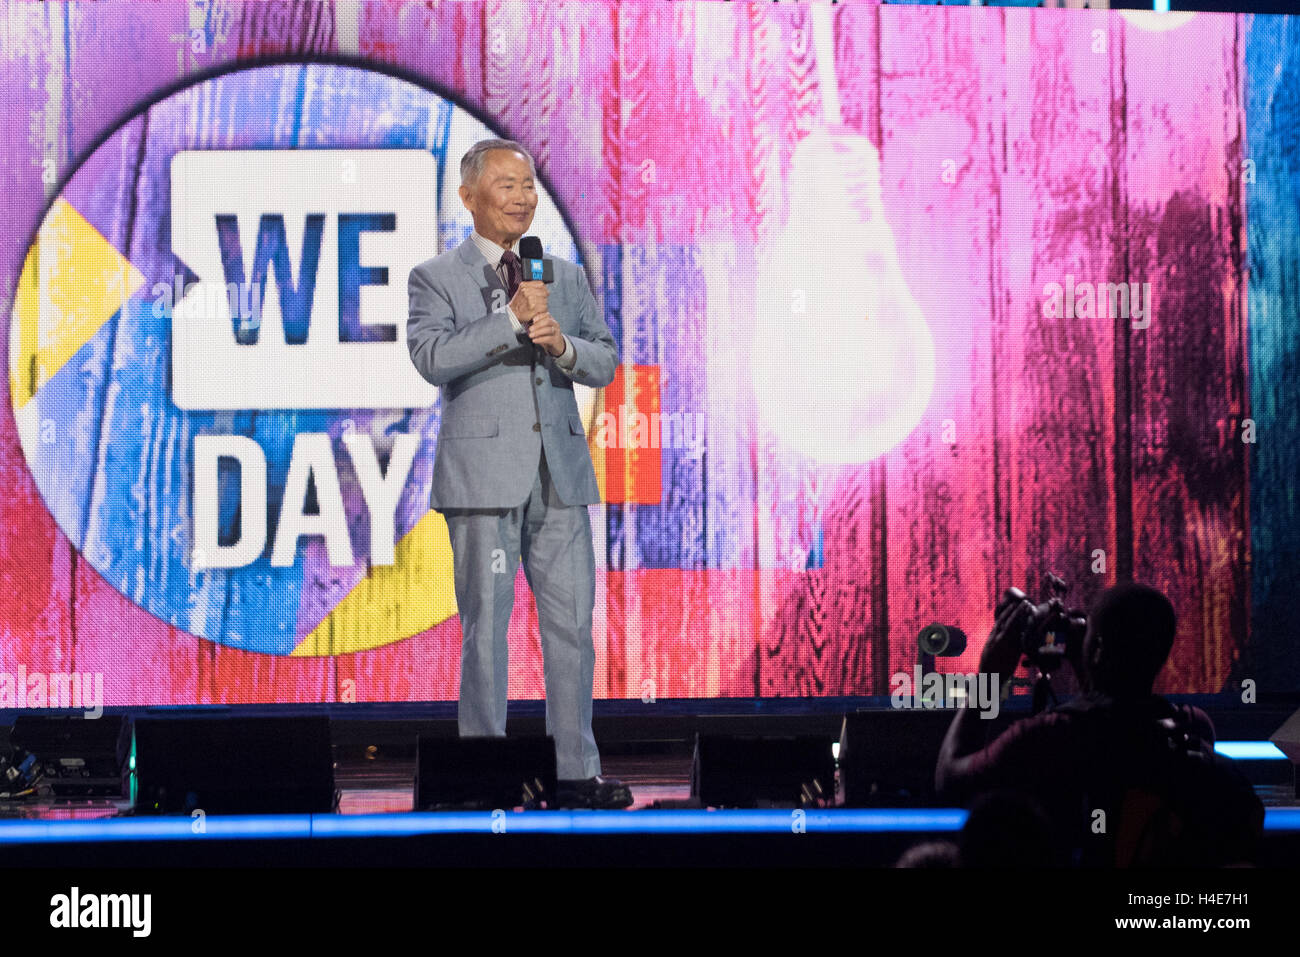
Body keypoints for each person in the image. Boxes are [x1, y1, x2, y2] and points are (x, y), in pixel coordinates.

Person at [406, 138, 631, 809]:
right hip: (482, 478)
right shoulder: (435, 276)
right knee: (486, 627)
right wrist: (510, 319)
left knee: (571, 629)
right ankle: (484, 772)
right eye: (505, 185)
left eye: (529, 184)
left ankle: (575, 773)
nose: (523, 196)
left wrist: (561, 342)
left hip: (559, 475)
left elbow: (604, 360)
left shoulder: (560, 272)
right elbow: (433, 356)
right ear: (469, 196)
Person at [935, 582, 1263, 866]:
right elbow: (1117, 725)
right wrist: (1091, 657)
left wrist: (990, 677)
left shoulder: (1051, 737)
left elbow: (951, 780)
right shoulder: (1194, 727)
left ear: (1098, 649)